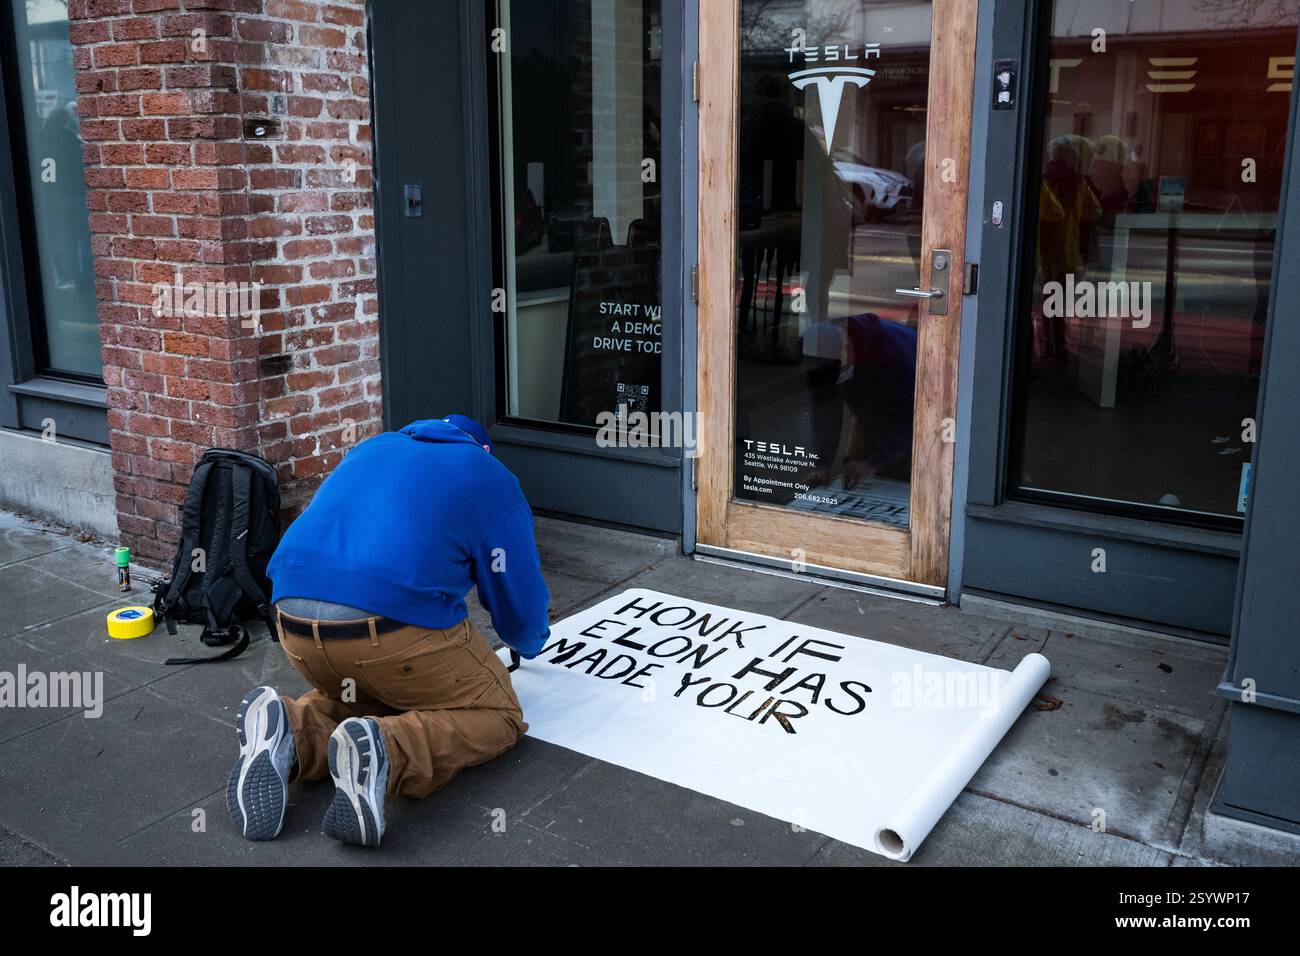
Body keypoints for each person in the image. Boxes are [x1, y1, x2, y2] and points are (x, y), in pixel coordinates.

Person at [225, 415, 550, 847]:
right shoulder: (488, 473)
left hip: (291, 618)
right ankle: (387, 752)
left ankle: (290, 726)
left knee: (368, 695)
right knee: (498, 715)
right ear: (483, 449)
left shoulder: (372, 449)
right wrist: (528, 643)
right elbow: (520, 600)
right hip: (387, 627)